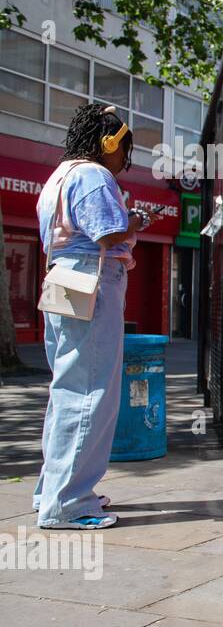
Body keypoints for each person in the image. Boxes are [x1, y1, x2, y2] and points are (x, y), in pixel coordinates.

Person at [32, 104, 157, 529]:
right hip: (93, 279)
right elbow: (106, 231)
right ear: (107, 144)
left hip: (62, 277)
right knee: (90, 391)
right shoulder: (92, 175)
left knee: (67, 386)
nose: (125, 161)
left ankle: (53, 490)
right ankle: (69, 504)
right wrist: (135, 220)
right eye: (125, 150)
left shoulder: (58, 177)